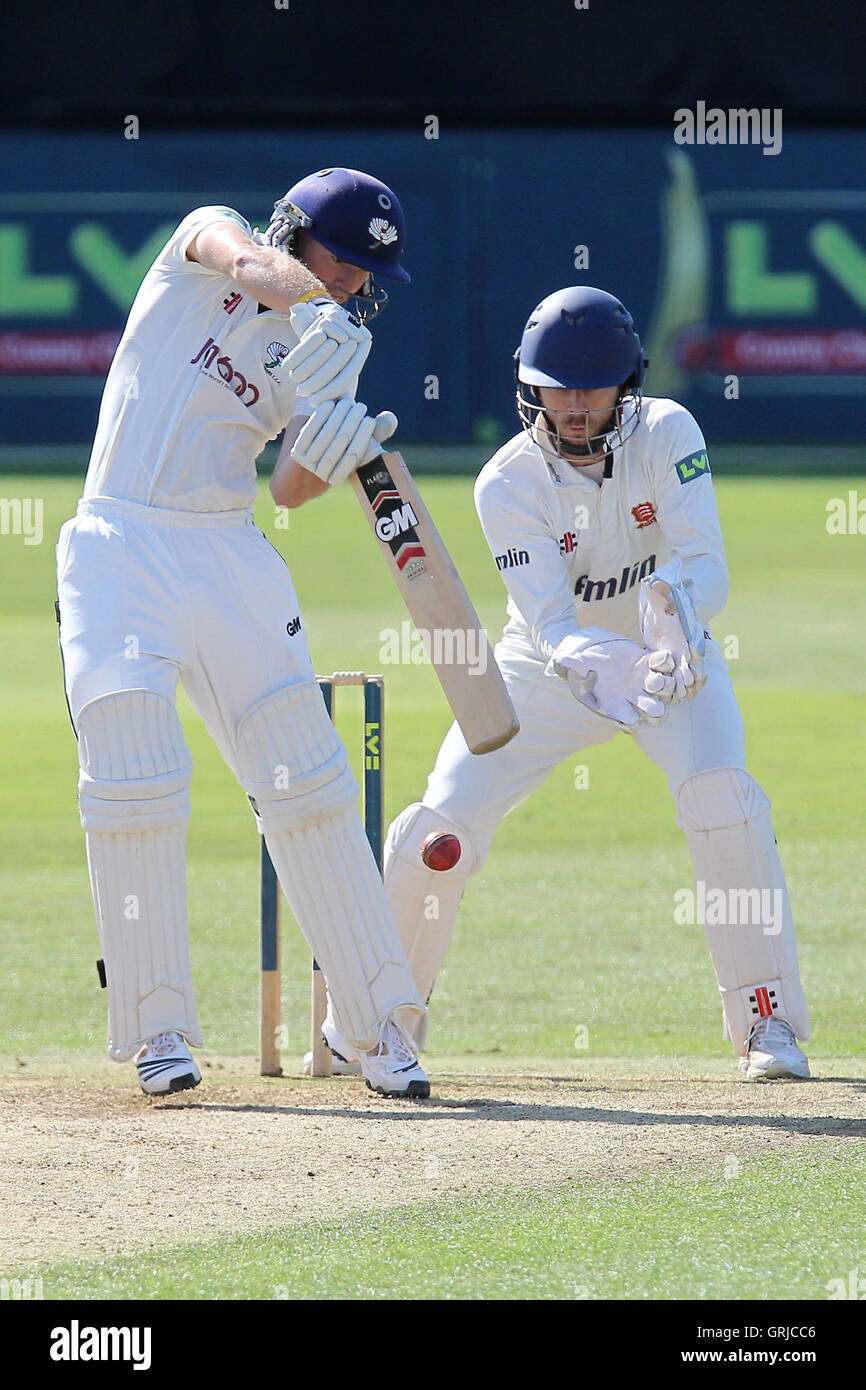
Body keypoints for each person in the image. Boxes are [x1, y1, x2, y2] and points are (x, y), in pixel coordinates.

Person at [320, 284, 811, 1082]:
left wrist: (673, 616)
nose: (575, 406)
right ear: (530, 383)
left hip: (670, 660)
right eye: (558, 387)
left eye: (592, 387)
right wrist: (591, 660)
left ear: (628, 383)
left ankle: (769, 1021)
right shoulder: (506, 483)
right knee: (438, 832)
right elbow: (551, 624)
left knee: (725, 800)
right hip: (545, 671)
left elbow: (707, 563)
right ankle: (374, 1025)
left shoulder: (671, 432)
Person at [56, 167, 430, 1098]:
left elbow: (288, 488)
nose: (350, 291)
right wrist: (317, 306)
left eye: (361, 283)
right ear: (297, 234)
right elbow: (250, 264)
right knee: (134, 778)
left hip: (228, 556)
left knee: (308, 783)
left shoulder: (326, 349)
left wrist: (338, 447)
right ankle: (156, 1032)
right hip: (119, 544)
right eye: (342, 267)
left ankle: (379, 1027)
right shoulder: (210, 241)